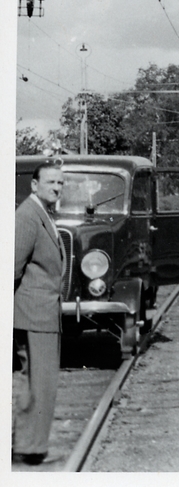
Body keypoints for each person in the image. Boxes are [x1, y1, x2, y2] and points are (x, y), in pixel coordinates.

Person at [13, 161, 66, 466]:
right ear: (34, 185)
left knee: (36, 382)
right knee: (40, 382)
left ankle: (30, 445)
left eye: (60, 183)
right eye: (50, 182)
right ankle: (32, 449)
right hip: (34, 313)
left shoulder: (41, 213)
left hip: (39, 313)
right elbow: (11, 268)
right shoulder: (28, 216)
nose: (56, 188)